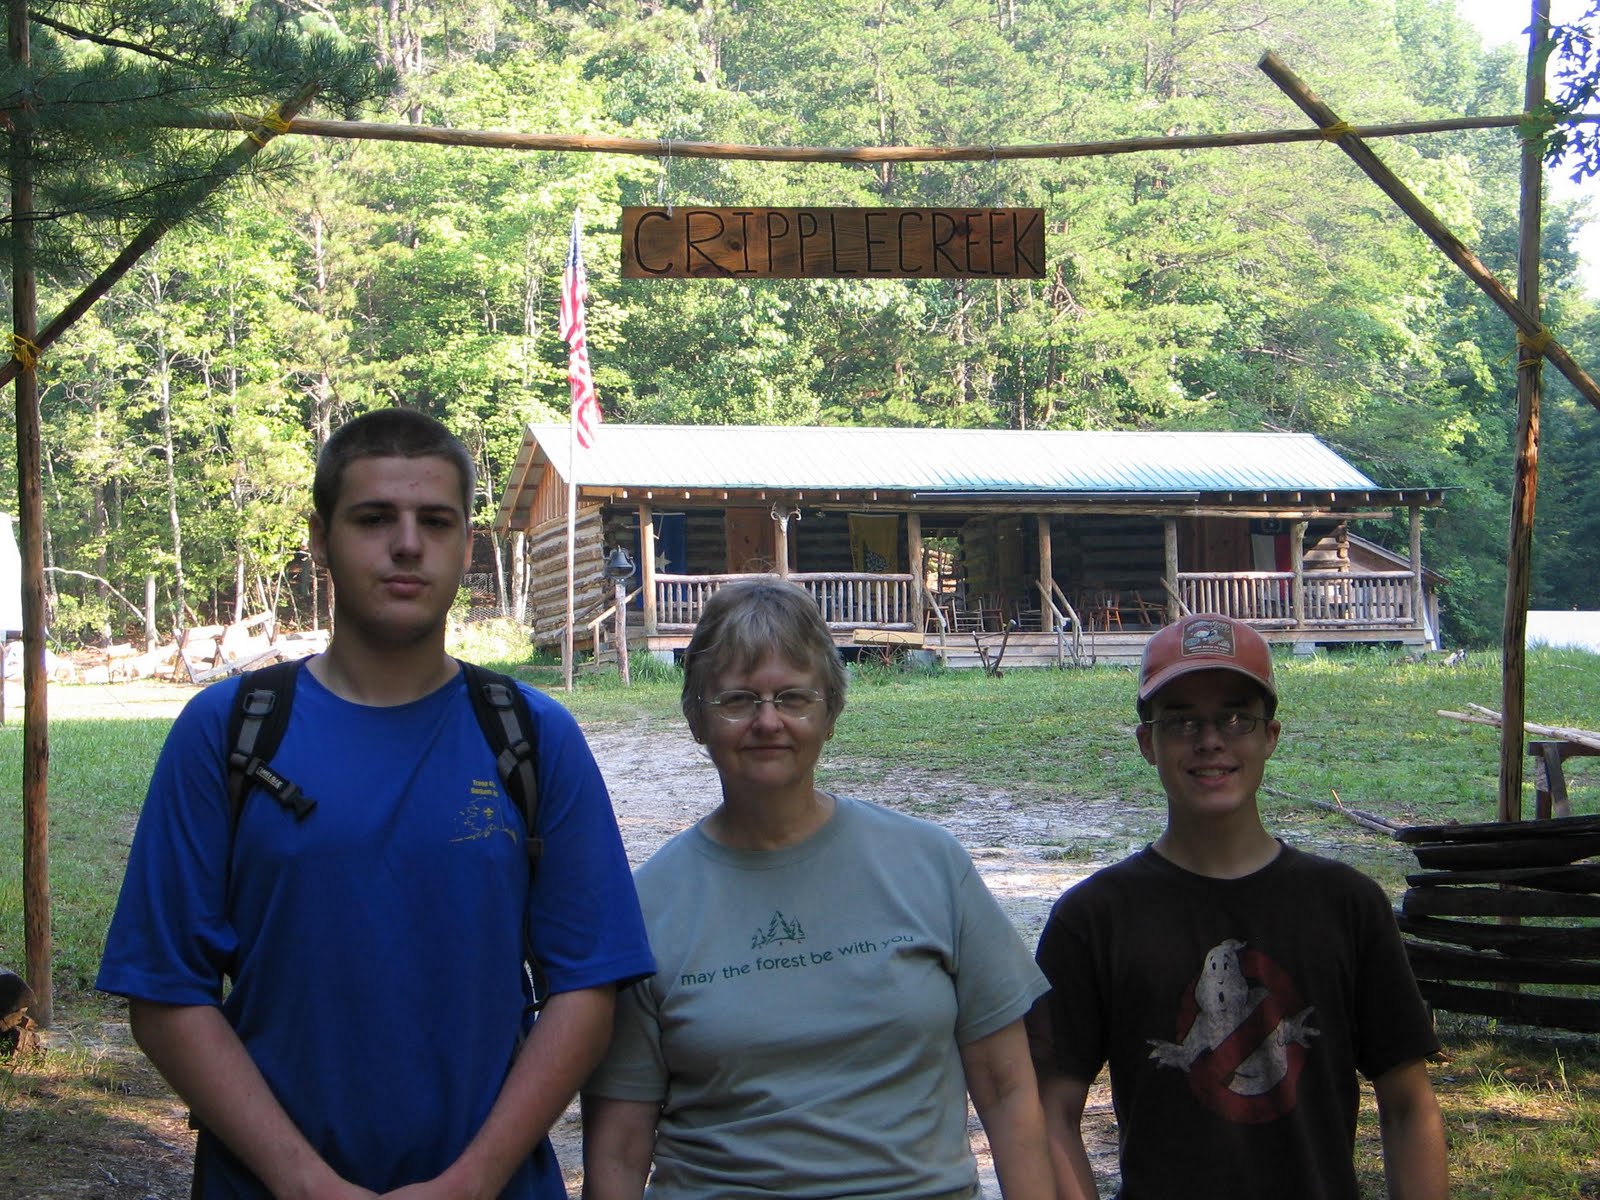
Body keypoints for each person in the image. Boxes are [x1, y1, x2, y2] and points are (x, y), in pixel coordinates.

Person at [97, 408, 656, 1199]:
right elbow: (163, 990)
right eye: (373, 518)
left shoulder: (532, 737)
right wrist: (304, 1184)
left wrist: (471, 1183)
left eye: (436, 521)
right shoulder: (229, 733)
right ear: (320, 540)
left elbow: (587, 989)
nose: (407, 544)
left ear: (467, 544)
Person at [581, 577, 1054, 1200]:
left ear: (830, 713)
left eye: (794, 698)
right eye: (737, 699)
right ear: (696, 718)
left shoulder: (930, 865)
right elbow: (618, 1148)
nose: (767, 721)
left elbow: (1007, 1087)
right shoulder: (648, 906)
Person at [1026, 613, 1447, 1200]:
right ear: (1147, 743)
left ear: (1269, 735)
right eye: (1181, 721)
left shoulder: (1347, 905)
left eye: (1235, 718)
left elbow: (1408, 1106)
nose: (1210, 740)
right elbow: (1051, 1112)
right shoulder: (1093, 918)